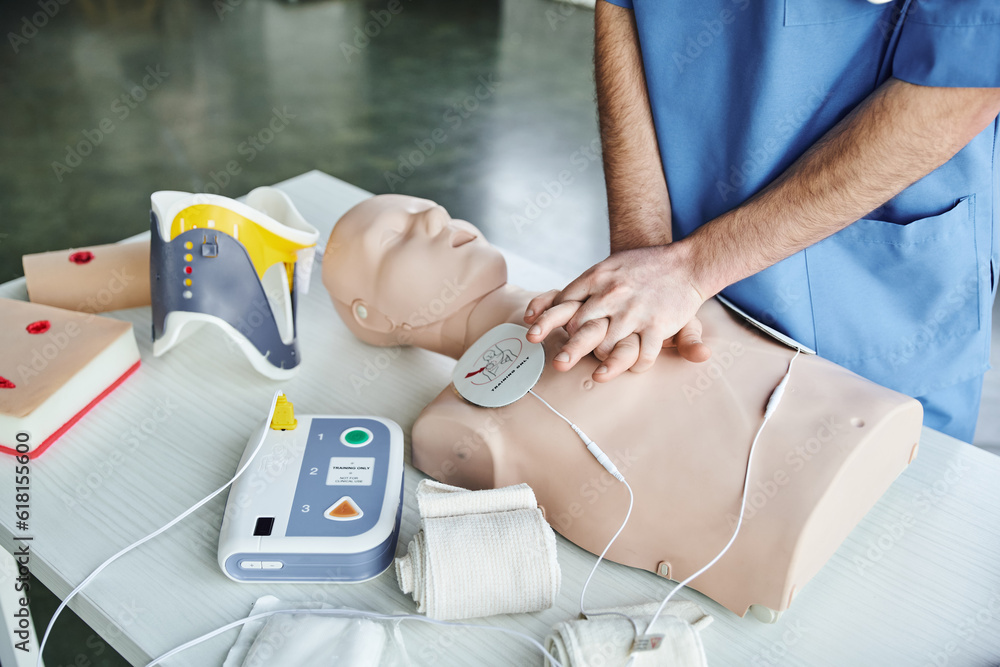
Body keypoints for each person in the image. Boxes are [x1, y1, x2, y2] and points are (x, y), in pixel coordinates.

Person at [321, 193, 923, 617]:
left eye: (429, 209)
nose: (432, 216)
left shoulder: (629, 284)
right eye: (396, 235)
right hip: (777, 535)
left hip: (859, 414)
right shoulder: (449, 426)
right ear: (370, 320)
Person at [523, 0, 1000, 443]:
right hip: (675, 257)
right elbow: (621, 8)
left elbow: (967, 77)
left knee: (881, 503)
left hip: (864, 294)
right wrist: (645, 252)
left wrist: (692, 268)